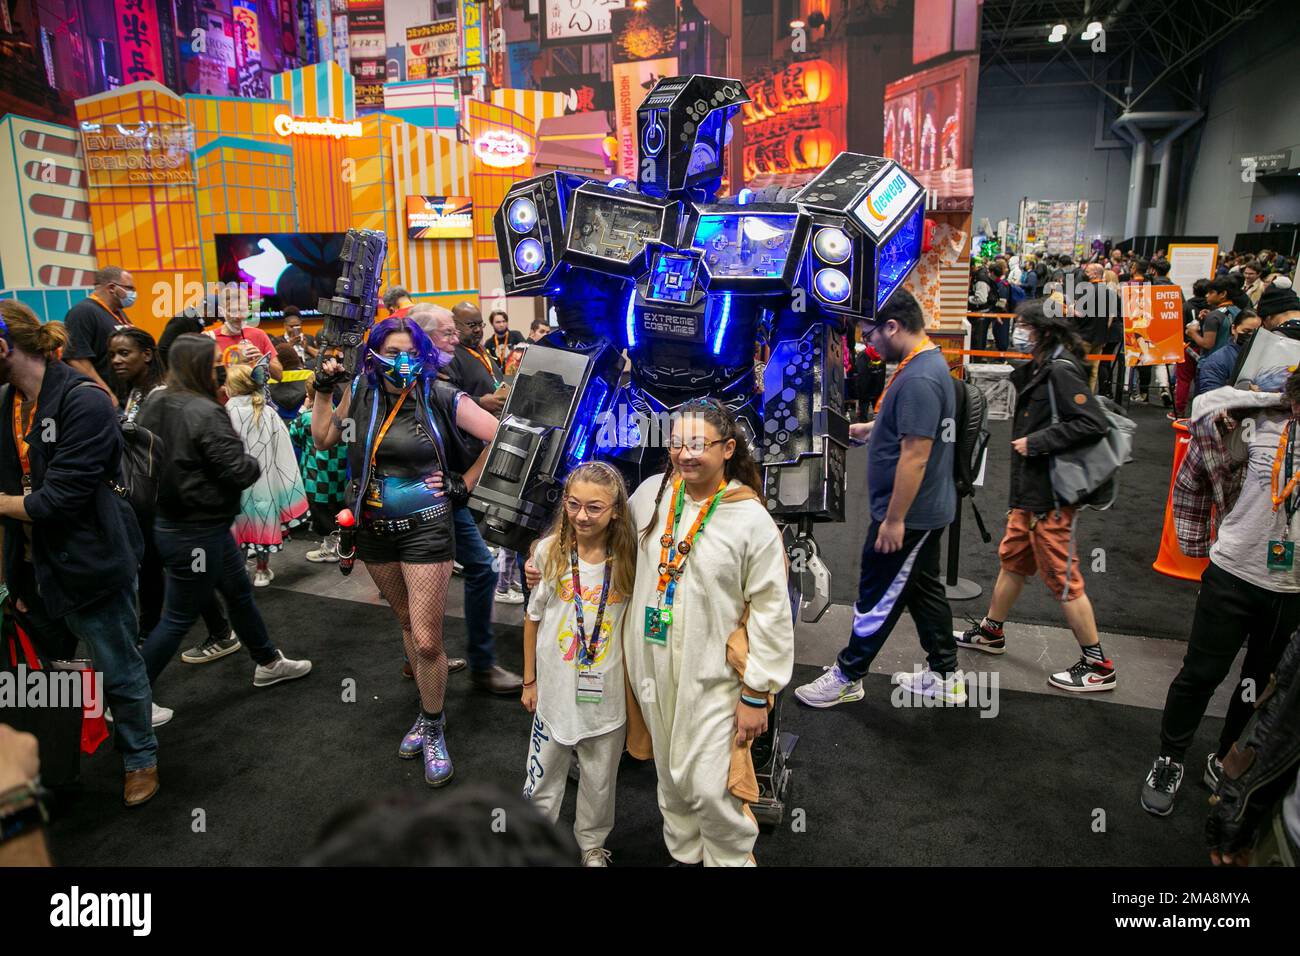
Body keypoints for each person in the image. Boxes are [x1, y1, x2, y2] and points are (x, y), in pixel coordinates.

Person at [312, 316, 502, 786]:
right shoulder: (362, 395)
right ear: (373, 356)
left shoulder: (437, 395)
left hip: (427, 530)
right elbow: (323, 439)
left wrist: (464, 483)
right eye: (392, 352)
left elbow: (501, 432)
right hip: (375, 531)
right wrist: (321, 390)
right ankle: (425, 710)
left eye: (410, 352)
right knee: (405, 624)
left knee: (426, 639)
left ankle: (434, 725)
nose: (402, 362)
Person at [624, 398, 793, 866]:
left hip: (715, 673)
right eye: (677, 443)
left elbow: (772, 611)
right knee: (671, 777)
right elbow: (599, 535)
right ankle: (685, 855)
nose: (685, 454)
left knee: (710, 785)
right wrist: (545, 555)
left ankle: (730, 859)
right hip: (652, 664)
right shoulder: (650, 495)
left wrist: (758, 693)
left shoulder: (749, 518)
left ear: (728, 448)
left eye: (698, 444)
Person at [0, 301, 156, 806]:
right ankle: (58, 768)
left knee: (118, 668)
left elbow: (59, 500)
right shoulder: (7, 401)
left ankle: (140, 758)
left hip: (89, 560)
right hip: (29, 566)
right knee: (46, 680)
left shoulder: (83, 399)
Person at [1142, 367, 1300, 816]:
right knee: (1200, 675)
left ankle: (1227, 758)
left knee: (1260, 683)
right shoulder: (1260, 424)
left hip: (1292, 589)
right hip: (1233, 574)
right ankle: (1169, 759)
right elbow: (1203, 408)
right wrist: (1261, 399)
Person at [795, 289, 963, 708]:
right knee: (923, 589)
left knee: (876, 591)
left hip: (911, 514)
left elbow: (916, 454)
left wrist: (893, 520)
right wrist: (870, 430)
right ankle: (947, 674)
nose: (868, 343)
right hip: (924, 510)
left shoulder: (921, 377)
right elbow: (908, 430)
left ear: (893, 326)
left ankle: (849, 673)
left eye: (870, 333)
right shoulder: (920, 365)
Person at [136, 335, 311, 697]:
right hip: (198, 529)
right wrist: (248, 461)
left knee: (239, 595)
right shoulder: (205, 411)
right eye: (215, 359)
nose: (222, 366)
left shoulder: (155, 402)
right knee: (177, 618)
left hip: (178, 523)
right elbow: (241, 471)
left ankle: (268, 661)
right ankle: (129, 697)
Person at [956, 303, 1115, 691]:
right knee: (1013, 559)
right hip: (1032, 494)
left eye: (1025, 327)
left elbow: (1091, 422)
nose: (1018, 333)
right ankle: (992, 631)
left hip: (1052, 497)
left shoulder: (1061, 370)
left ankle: (1098, 665)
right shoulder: (1048, 365)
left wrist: (1038, 442)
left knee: (1062, 576)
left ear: (1042, 330)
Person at [521, 462, 634, 867]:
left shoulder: (629, 561)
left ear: (616, 510)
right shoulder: (550, 552)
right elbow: (532, 620)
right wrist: (529, 681)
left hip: (608, 698)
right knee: (543, 773)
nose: (581, 516)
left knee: (600, 780)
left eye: (594, 508)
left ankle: (591, 843)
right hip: (554, 693)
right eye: (573, 505)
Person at [109, 326, 236, 667]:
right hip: (151, 504)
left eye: (125, 353)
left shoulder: (160, 396)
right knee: (183, 574)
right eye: (112, 355)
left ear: (147, 355)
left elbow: (179, 455)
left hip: (169, 507)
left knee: (171, 577)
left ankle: (148, 646)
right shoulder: (136, 394)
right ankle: (230, 636)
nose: (117, 361)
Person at [439, 304, 523, 693]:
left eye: (474, 326)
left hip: (456, 478)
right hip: (442, 482)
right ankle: (474, 662)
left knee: (473, 566)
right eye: (452, 331)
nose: (460, 336)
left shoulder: (477, 353)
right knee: (475, 567)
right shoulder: (439, 371)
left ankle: (437, 657)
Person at [224, 363, 309, 587]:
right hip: (265, 481)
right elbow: (284, 450)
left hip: (234, 481)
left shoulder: (224, 412)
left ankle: (239, 568)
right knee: (263, 520)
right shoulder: (268, 412)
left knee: (238, 524)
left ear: (231, 387)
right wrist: (287, 485)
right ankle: (262, 570)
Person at [289, 378, 350, 563]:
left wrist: (302, 409)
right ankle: (342, 544)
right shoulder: (345, 417)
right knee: (339, 512)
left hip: (316, 478)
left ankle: (331, 548)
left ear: (309, 395)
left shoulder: (305, 418)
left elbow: (294, 436)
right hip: (340, 476)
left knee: (322, 517)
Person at [62, 265, 135, 406]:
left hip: (125, 397)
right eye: (129, 288)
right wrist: (106, 394)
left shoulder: (118, 314)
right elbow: (76, 359)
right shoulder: (83, 312)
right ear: (112, 288)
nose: (132, 293)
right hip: (106, 400)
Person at [211, 285, 282, 390]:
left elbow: (279, 375)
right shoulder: (210, 338)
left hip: (256, 403)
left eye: (243, 310)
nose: (239, 316)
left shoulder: (259, 334)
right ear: (222, 311)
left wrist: (262, 359)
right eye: (233, 311)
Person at [1197, 309, 1261, 395]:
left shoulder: (1264, 355)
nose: (1252, 336)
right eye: (1247, 331)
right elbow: (1211, 397)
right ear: (1233, 329)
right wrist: (1243, 391)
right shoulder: (1217, 361)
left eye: (1257, 332)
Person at [486, 309, 524, 374]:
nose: (502, 324)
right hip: (499, 378)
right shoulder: (489, 343)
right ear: (492, 323)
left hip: (515, 374)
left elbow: (526, 355)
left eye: (504, 321)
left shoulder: (516, 336)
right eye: (498, 322)